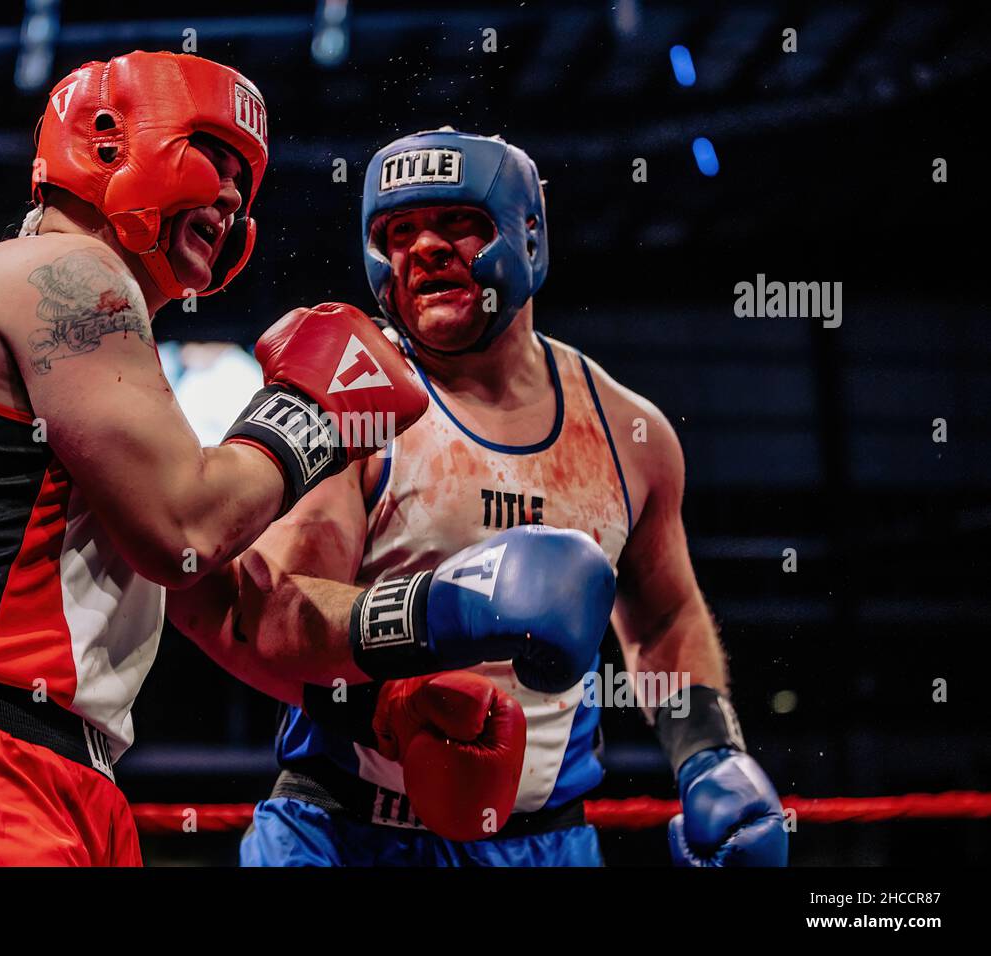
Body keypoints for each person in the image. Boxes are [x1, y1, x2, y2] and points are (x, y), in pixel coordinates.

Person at [0, 50, 428, 866]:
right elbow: (186, 525)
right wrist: (313, 409)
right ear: (109, 141)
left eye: (248, 178)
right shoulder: (59, 273)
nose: (235, 194)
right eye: (216, 155)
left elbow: (238, 613)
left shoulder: (108, 382)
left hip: (38, 769)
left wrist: (404, 674)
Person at [169, 129, 787, 866]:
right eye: (399, 231)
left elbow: (662, 619)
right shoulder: (351, 406)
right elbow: (277, 612)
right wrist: (443, 609)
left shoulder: (628, 433)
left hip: (541, 842)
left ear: (527, 235)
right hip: (346, 829)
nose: (425, 247)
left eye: (458, 222)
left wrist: (708, 754)